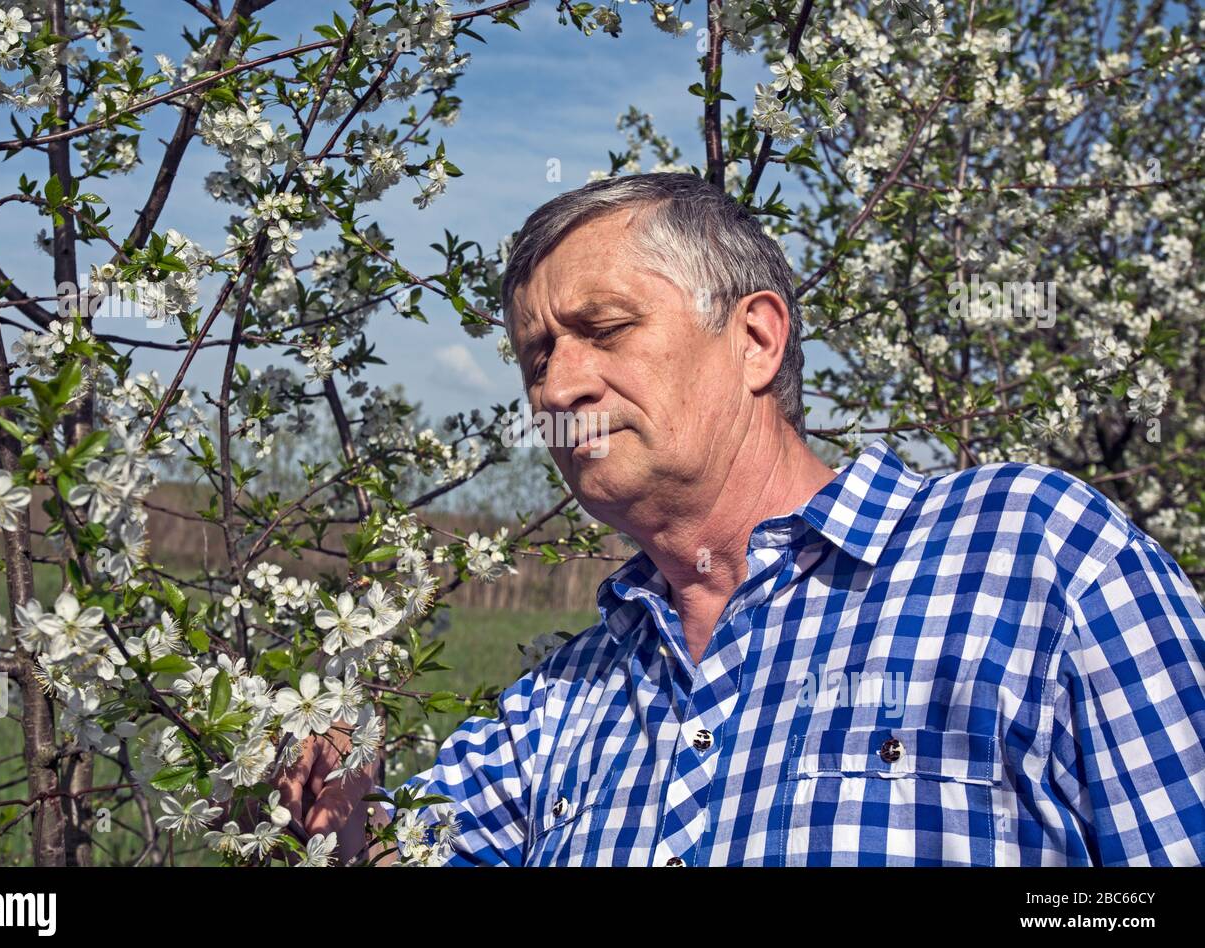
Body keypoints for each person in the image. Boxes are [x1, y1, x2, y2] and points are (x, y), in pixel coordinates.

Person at [279, 172, 1205, 866]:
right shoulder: (554, 704)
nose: (559, 386)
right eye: (534, 357)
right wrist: (336, 811)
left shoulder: (1032, 553)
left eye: (604, 329)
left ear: (756, 339)